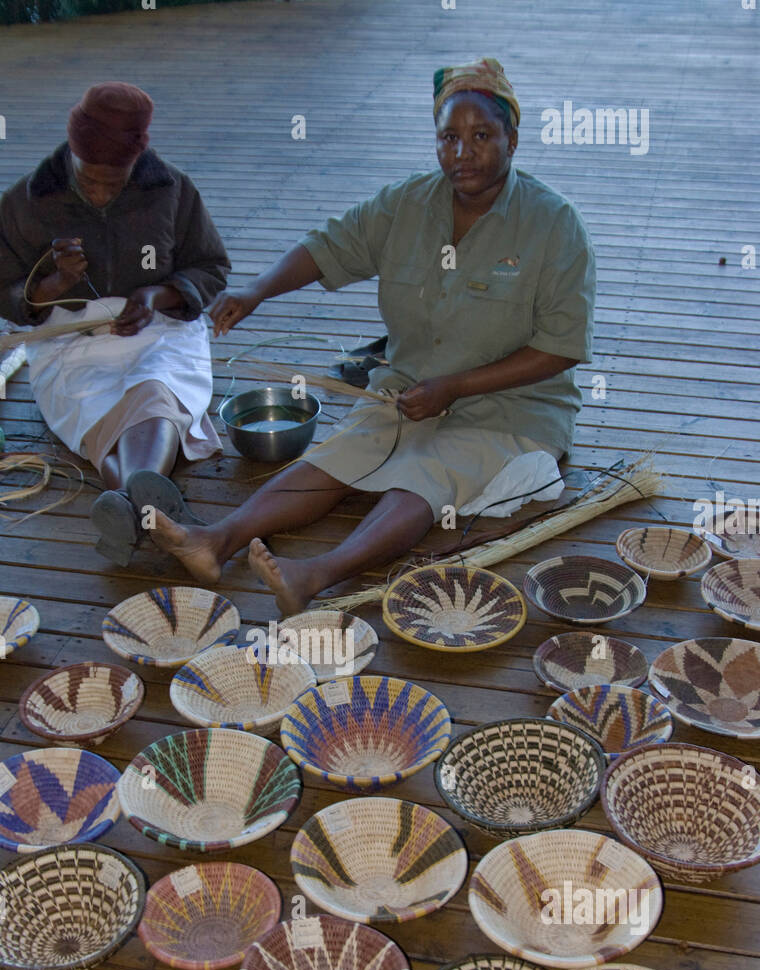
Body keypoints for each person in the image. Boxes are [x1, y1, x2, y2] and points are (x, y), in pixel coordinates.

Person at [147, 58, 596, 616]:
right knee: (344, 451)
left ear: (513, 139)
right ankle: (216, 539)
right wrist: (256, 292)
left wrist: (454, 387)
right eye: (449, 137)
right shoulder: (407, 204)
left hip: (513, 408)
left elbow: (559, 348)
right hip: (409, 389)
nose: (463, 152)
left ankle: (315, 575)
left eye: (482, 135)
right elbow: (329, 246)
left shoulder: (554, 225)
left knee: (426, 477)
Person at [0, 82, 230, 565]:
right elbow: (0, 287)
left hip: (160, 327)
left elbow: (210, 267)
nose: (100, 192)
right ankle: (164, 522)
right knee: (100, 410)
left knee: (156, 390)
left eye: (114, 182)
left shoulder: (171, 188)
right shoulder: (26, 200)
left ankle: (136, 514)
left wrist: (157, 294)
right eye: (90, 180)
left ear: (138, 158)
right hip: (67, 336)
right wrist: (51, 284)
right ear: (73, 152)